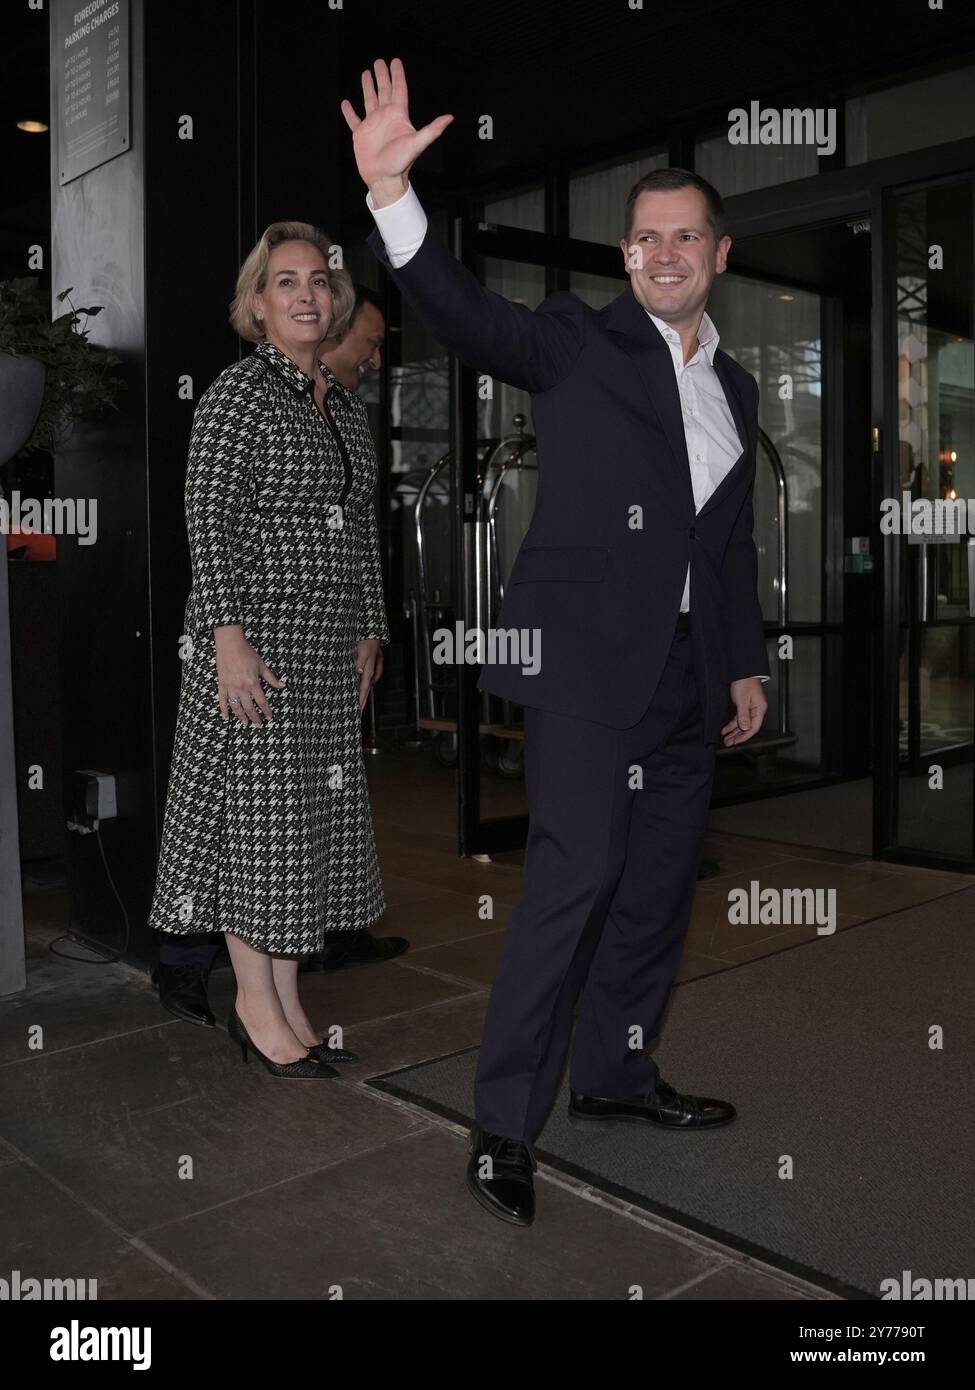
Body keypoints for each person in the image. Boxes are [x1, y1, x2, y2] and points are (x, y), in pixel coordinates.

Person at [342, 59, 769, 1220]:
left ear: (719, 253)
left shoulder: (736, 390)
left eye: (686, 235)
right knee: (571, 887)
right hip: (581, 667)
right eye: (645, 237)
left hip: (685, 679)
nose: (665, 252)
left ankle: (619, 1078)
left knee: (655, 894)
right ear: (627, 255)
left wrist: (744, 661)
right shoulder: (581, 341)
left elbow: (725, 544)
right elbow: (467, 313)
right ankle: (501, 1123)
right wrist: (393, 199)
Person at [148, 221, 390, 1077]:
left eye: (319, 282)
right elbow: (206, 523)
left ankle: (288, 999)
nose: (305, 295)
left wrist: (372, 627)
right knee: (257, 826)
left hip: (328, 645)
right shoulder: (237, 394)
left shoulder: (344, 401)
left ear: (337, 301)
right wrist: (228, 640)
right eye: (285, 282)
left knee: (304, 827)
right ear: (257, 303)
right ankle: (253, 1004)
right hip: (255, 636)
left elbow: (361, 525)